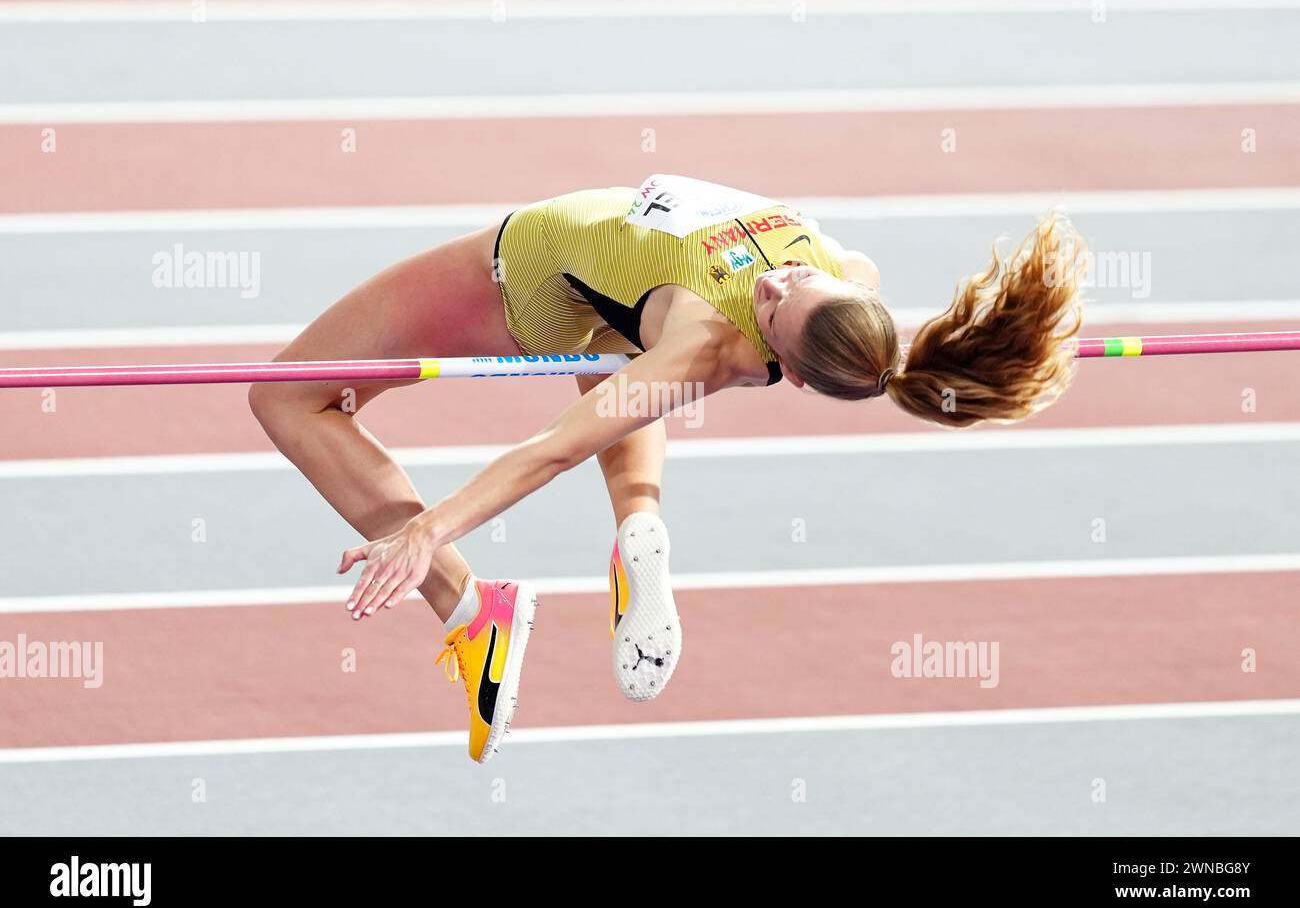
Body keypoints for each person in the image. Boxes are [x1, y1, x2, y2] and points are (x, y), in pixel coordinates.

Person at [248, 174, 1085, 763]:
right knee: (622, 348)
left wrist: (428, 533)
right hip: (611, 296)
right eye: (796, 279)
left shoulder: (707, 344)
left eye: (773, 305)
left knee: (287, 398)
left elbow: (555, 447)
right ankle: (639, 529)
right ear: (851, 295)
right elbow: (819, 325)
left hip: (525, 275)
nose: (778, 278)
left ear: (783, 370)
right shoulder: (849, 286)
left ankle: (472, 610)